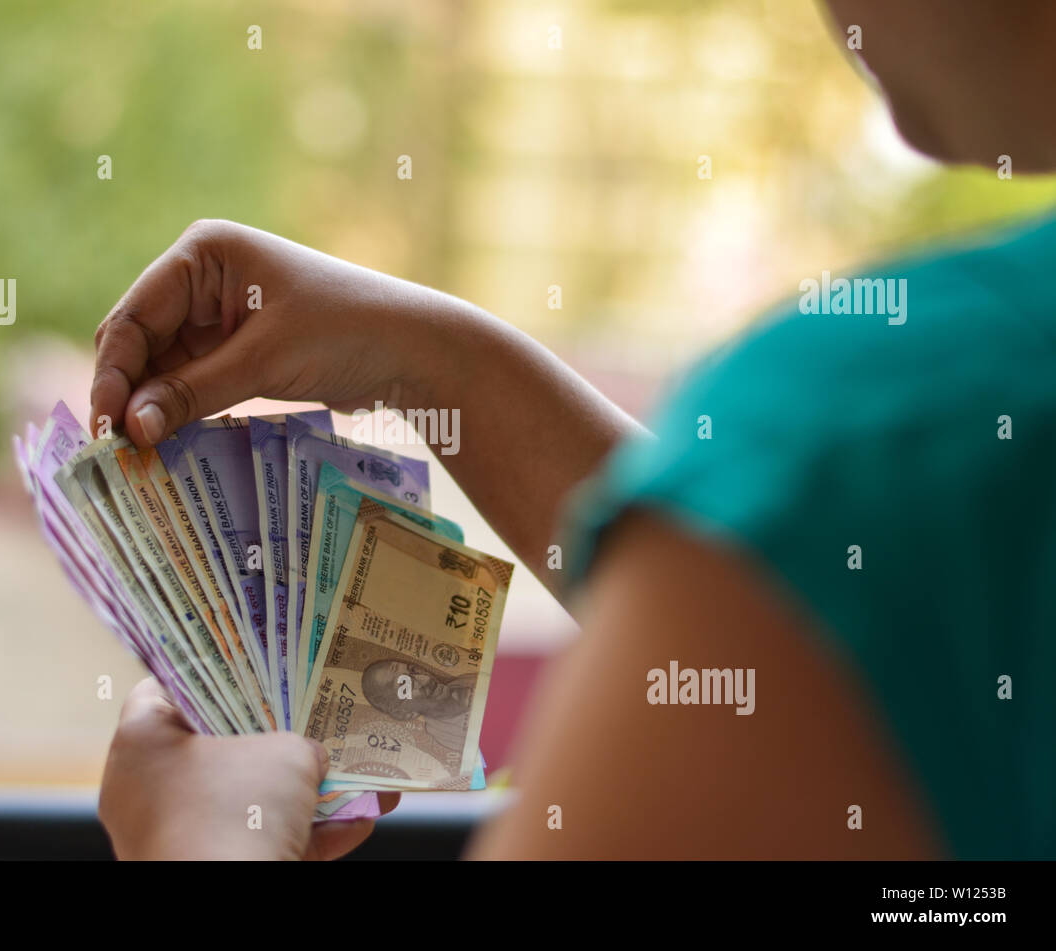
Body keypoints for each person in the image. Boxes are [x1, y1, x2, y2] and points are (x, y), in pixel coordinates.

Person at [94, 0, 1056, 860]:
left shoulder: (866, 427)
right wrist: (429, 360)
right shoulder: (925, 432)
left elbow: (805, 573)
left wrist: (199, 840)